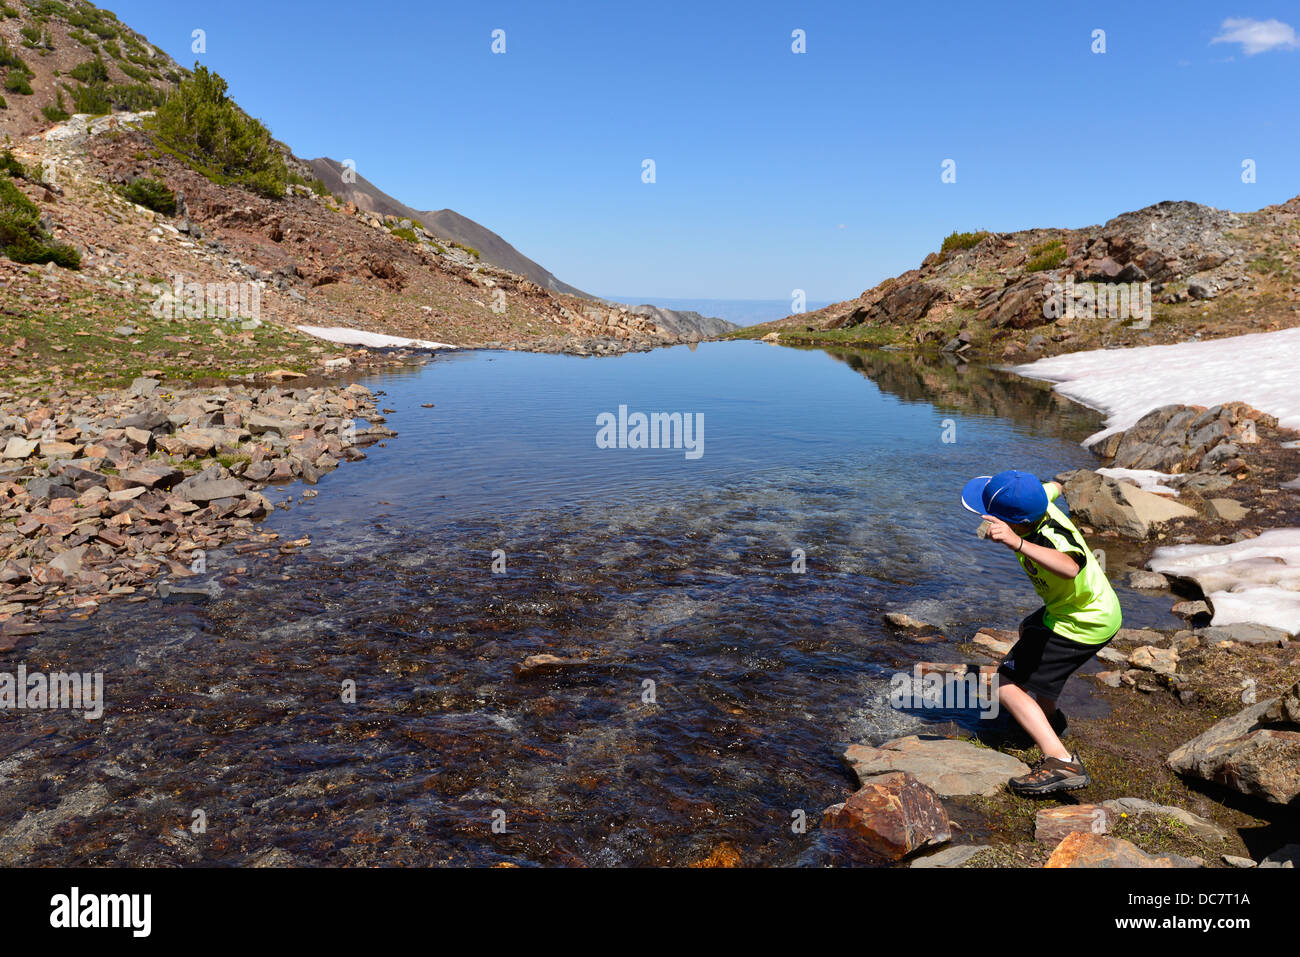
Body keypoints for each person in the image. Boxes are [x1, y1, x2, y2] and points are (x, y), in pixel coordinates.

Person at [960, 469, 1122, 796]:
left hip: (1081, 622)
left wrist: (1016, 542)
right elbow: (1054, 488)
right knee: (1028, 630)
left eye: (989, 515)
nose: (985, 520)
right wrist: (1062, 483)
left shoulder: (1048, 538)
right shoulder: (1036, 503)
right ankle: (1049, 717)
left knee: (1004, 684)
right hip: (1086, 609)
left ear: (1013, 523)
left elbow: (1070, 566)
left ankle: (1061, 761)